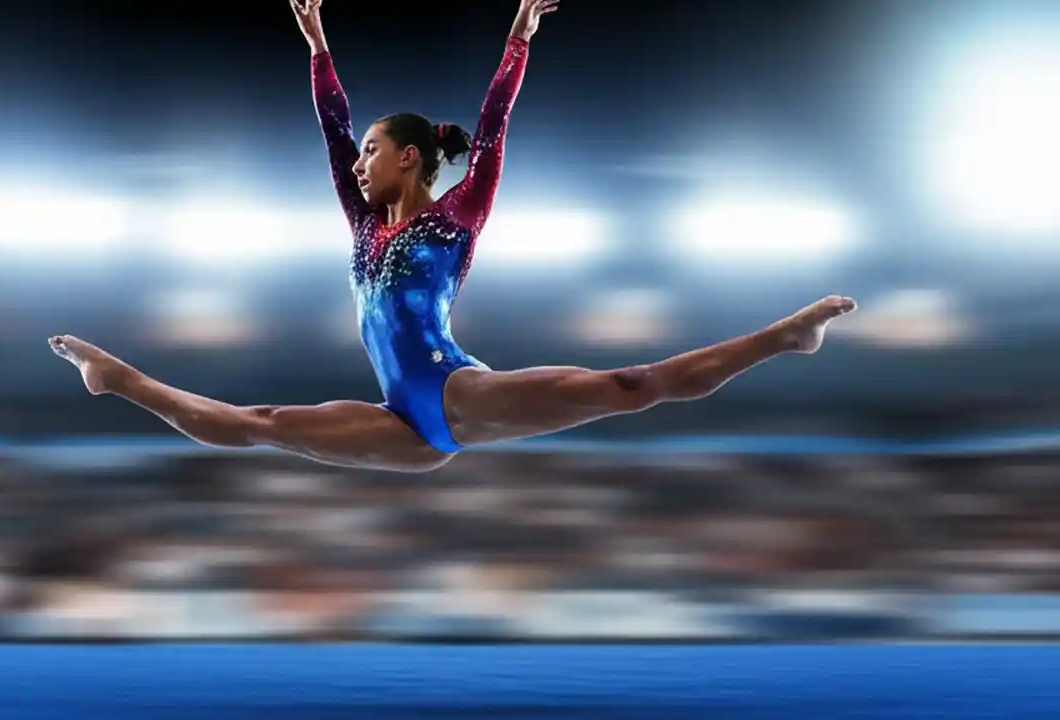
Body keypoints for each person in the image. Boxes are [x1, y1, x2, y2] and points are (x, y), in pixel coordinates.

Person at [49, 0, 857, 473]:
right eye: (358, 153)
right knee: (257, 423)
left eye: (373, 151)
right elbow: (331, 129)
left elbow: (496, 128)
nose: (357, 163)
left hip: (450, 390)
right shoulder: (364, 223)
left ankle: (788, 336)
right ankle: (115, 378)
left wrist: (517, 41)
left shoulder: (457, 214)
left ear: (411, 158)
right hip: (403, 422)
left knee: (629, 387)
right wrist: (321, 51)